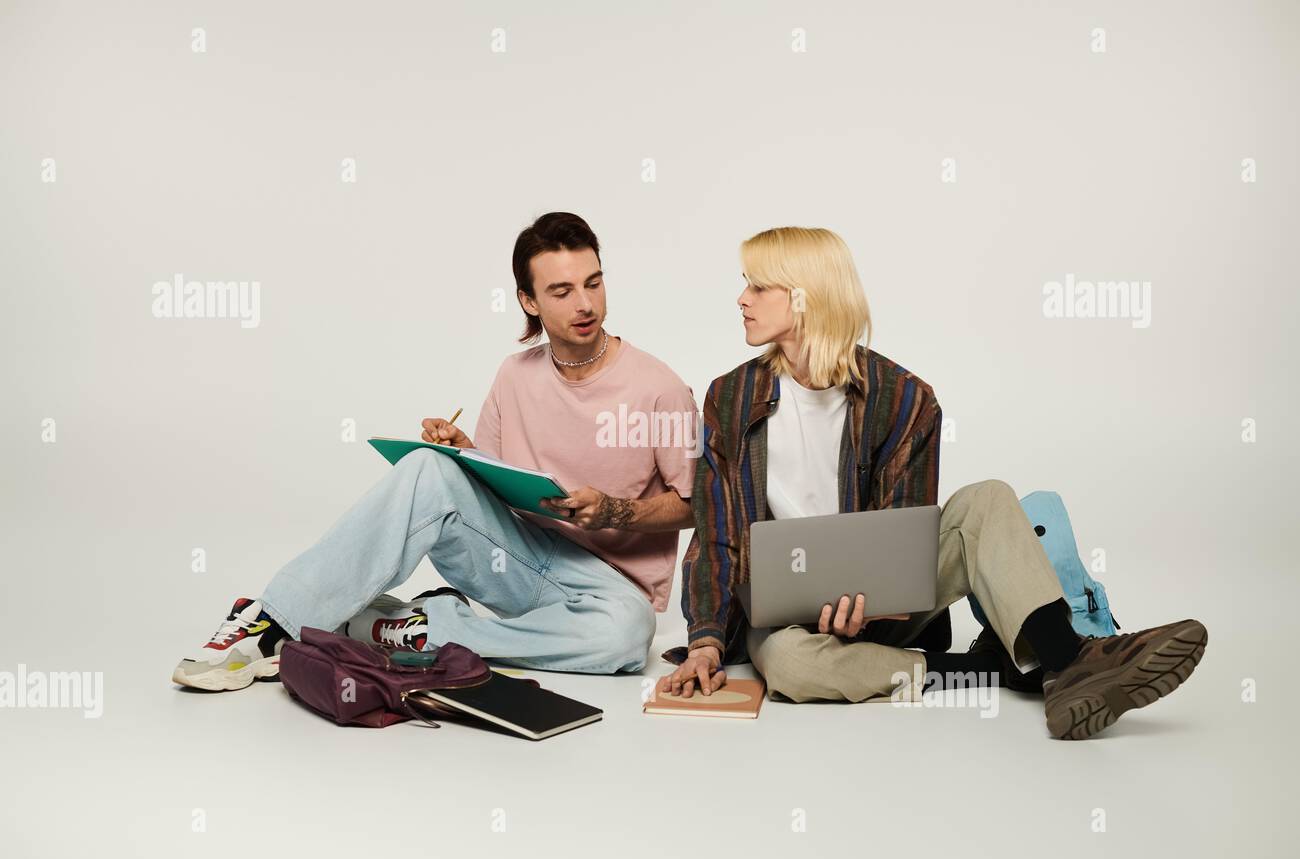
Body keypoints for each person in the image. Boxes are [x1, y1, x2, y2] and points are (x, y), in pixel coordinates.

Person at [658, 226, 1207, 740]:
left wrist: (875, 602)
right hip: (784, 609)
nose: (741, 299)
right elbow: (718, 535)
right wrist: (706, 641)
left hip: (882, 606)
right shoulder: (729, 399)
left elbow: (903, 541)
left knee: (986, 498)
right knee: (791, 668)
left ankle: (1075, 660)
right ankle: (996, 672)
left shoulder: (903, 398)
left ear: (803, 296)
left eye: (757, 285)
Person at [173, 212, 698, 690]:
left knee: (626, 639)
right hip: (518, 560)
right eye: (561, 291)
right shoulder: (515, 375)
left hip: (608, 590)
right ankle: (275, 618)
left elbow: (696, 505)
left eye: (593, 283)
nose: (584, 304)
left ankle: (408, 628)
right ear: (529, 301)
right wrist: (462, 452)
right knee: (428, 467)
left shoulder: (660, 388)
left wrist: (614, 511)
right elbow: (497, 480)